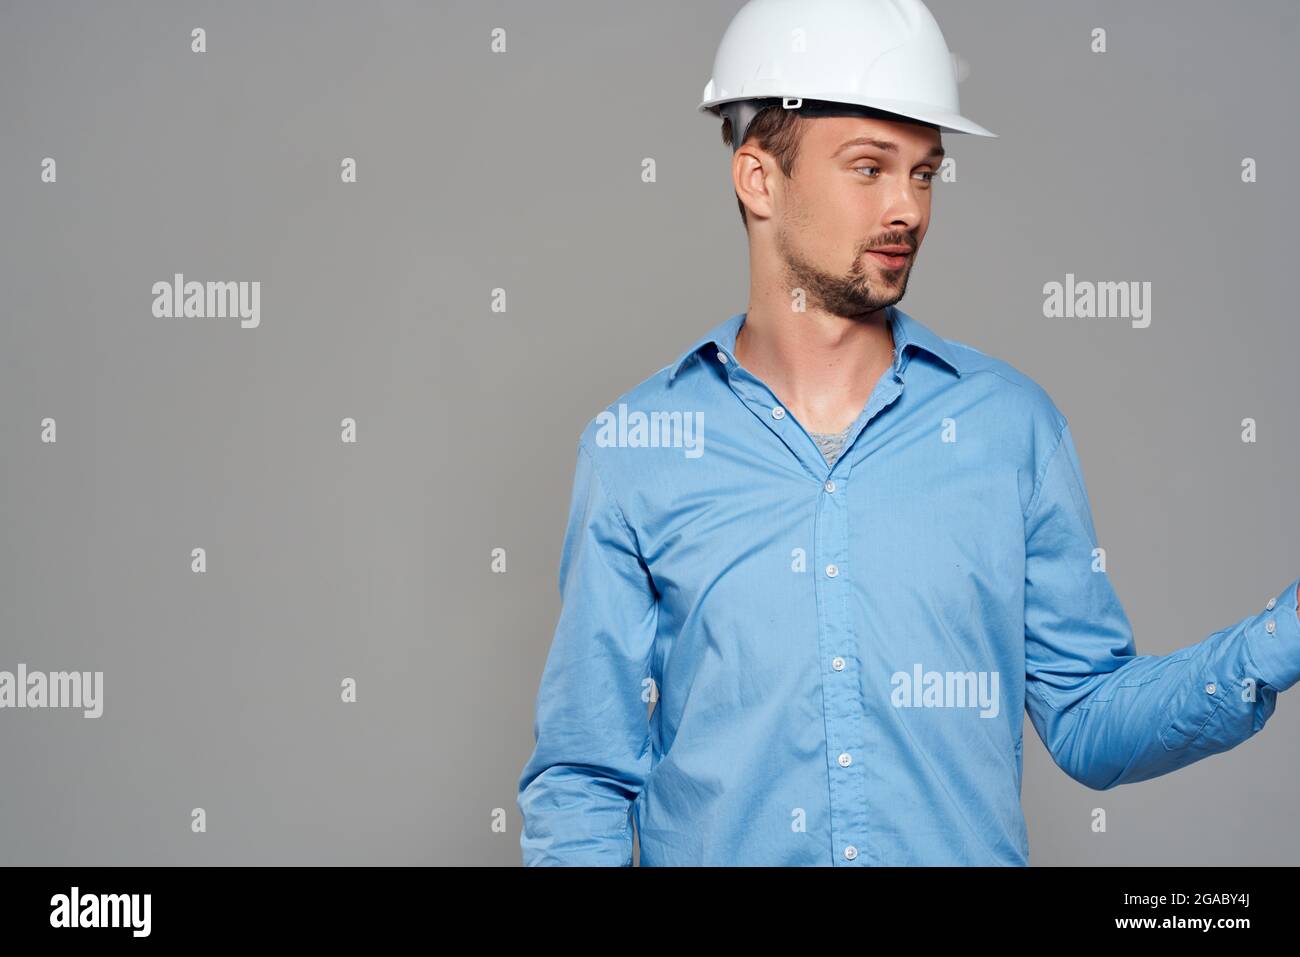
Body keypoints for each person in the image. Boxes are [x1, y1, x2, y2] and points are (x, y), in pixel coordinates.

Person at [516, 0, 1300, 866]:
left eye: (924, 173)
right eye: (868, 168)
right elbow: (585, 778)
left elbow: (1088, 715)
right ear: (759, 181)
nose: (908, 210)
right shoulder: (639, 451)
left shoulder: (1011, 430)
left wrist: (1281, 636)